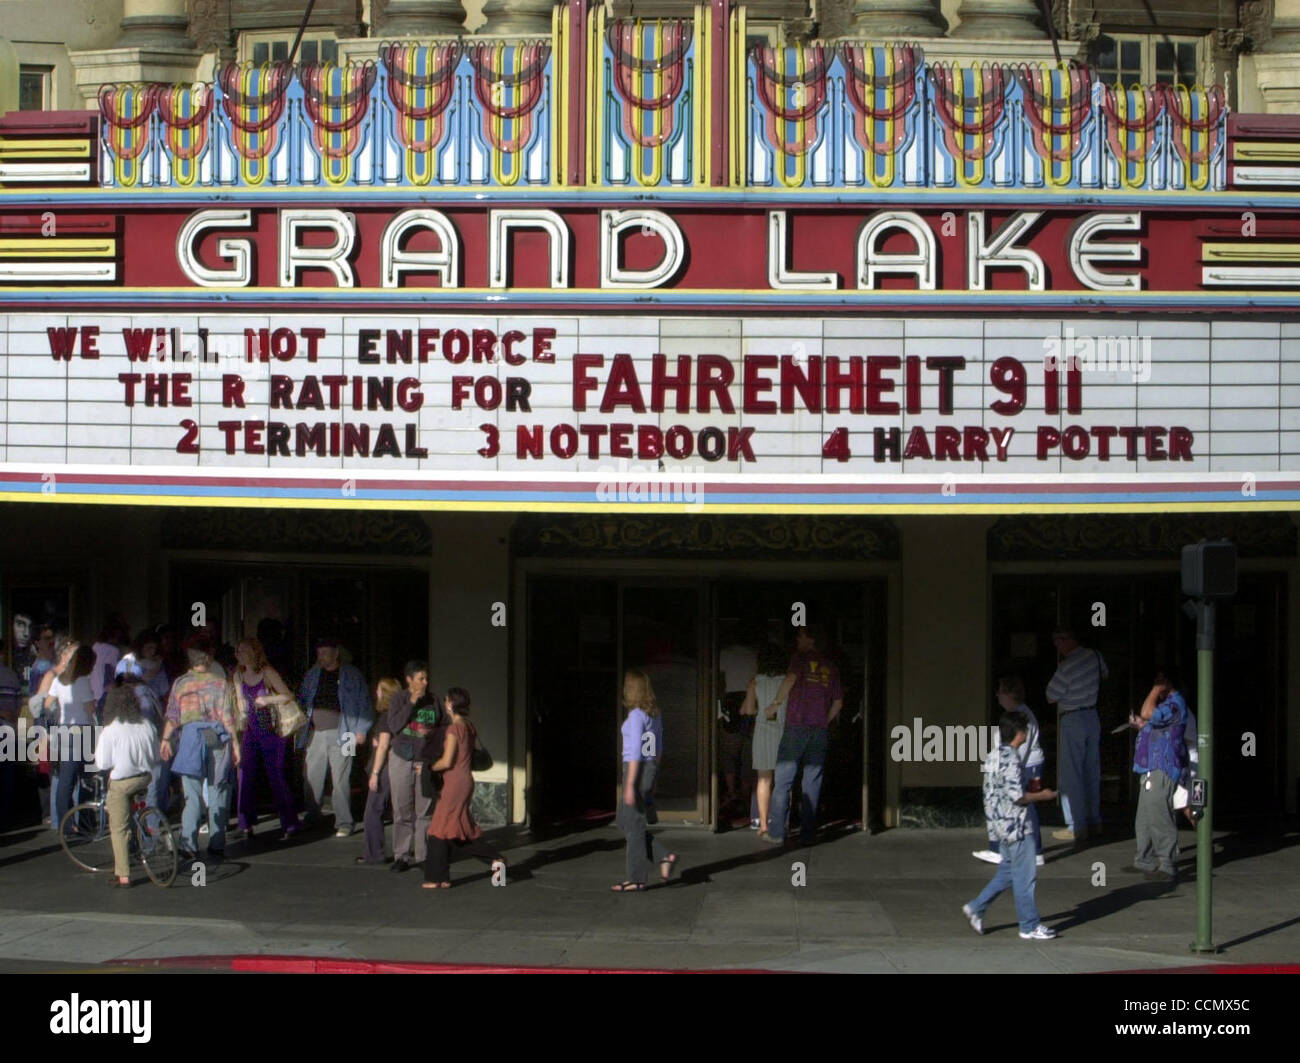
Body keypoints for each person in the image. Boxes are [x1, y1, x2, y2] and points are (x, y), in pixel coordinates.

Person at [962, 710, 1059, 940]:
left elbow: (992, 792)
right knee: (1025, 877)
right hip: (1017, 826)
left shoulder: (993, 755)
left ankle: (976, 907)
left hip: (999, 826)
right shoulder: (1012, 758)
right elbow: (1018, 797)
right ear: (1019, 733)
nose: (1027, 733)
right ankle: (1029, 925)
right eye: (1025, 729)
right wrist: (1043, 795)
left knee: (1007, 872)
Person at [161, 634, 241, 862]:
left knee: (193, 795)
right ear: (209, 658)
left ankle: (189, 844)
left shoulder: (181, 683)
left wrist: (165, 739)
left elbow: (173, 716)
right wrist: (235, 744)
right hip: (217, 735)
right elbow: (228, 716)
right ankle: (217, 843)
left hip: (191, 737)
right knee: (218, 790)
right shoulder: (220, 682)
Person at [761, 624, 842, 847]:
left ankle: (778, 833)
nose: (797, 639)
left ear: (810, 639)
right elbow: (838, 702)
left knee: (784, 781)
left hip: (796, 726)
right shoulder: (831, 666)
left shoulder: (800, 658)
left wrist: (775, 704)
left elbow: (789, 680)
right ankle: (808, 834)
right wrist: (824, 721)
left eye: (800, 635)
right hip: (819, 731)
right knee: (812, 782)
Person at [422, 688, 506, 889]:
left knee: (439, 828)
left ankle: (438, 878)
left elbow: (447, 761)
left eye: (446, 700)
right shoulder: (469, 726)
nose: (444, 703)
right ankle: (494, 860)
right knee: (456, 828)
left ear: (451, 704)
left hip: (454, 782)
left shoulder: (454, 729)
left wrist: (429, 767)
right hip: (465, 780)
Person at [370, 661, 443, 872]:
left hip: (423, 758)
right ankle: (402, 855)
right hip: (401, 757)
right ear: (409, 680)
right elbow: (394, 725)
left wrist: (432, 736)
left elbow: (442, 726)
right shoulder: (398, 699)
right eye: (421, 678)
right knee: (402, 809)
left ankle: (423, 855)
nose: (425, 682)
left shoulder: (433, 700)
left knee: (424, 809)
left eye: (426, 678)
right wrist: (411, 702)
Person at [300, 636, 371, 837]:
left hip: (345, 731)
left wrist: (362, 730)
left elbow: (364, 702)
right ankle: (313, 815)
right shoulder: (313, 674)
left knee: (341, 778)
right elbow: (303, 699)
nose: (321, 657)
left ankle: (344, 821)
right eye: (319, 653)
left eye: (324, 653)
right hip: (315, 732)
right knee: (312, 776)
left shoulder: (352, 674)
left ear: (336, 653)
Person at [1123, 669, 1190, 882]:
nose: (1156, 686)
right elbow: (1150, 721)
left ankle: (1167, 863)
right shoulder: (1165, 706)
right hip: (1150, 767)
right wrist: (1142, 725)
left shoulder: (1175, 704)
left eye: (1159, 682)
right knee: (1144, 817)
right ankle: (1145, 858)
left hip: (1163, 766)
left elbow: (1147, 712)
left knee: (1160, 815)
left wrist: (1155, 690)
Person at [611, 669, 675, 892]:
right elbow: (658, 747)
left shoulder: (637, 716)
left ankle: (636, 878)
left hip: (635, 770)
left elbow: (636, 751)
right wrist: (653, 774)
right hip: (648, 768)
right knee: (624, 821)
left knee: (633, 826)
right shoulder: (654, 715)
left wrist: (630, 784)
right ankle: (662, 856)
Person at [973, 676, 1045, 867]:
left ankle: (1022, 851)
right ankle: (1015, 850)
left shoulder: (1022, 718)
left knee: (1023, 807)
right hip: (1026, 766)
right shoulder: (1015, 715)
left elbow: (1019, 748)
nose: (997, 696)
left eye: (1001, 692)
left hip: (1027, 767)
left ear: (1011, 694)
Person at [91, 685, 159, 888]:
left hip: (122, 782)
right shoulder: (147, 725)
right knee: (131, 813)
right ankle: (139, 838)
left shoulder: (111, 730)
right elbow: (155, 755)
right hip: (144, 777)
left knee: (118, 828)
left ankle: (123, 875)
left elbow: (103, 763)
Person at [233, 637, 300, 842]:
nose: (239, 655)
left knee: (276, 774)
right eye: (238, 651)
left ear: (254, 652)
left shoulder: (267, 672)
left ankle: (290, 823)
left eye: (243, 651)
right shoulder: (238, 675)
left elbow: (288, 695)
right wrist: (240, 717)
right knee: (245, 773)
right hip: (251, 728)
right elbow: (241, 702)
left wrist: (267, 699)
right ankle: (245, 823)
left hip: (270, 728)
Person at [1045, 625, 1107, 843]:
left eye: (1058, 640)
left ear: (1067, 639)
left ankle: (1076, 825)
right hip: (1092, 716)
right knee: (1091, 771)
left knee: (1071, 774)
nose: (1056, 645)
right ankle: (1094, 821)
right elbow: (1105, 675)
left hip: (1072, 718)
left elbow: (1051, 695)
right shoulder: (1095, 657)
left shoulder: (1067, 666)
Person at [39, 639, 96, 830]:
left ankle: (65, 824)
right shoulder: (83, 682)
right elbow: (90, 709)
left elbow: (47, 704)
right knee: (85, 779)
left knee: (65, 780)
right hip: (83, 731)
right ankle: (85, 822)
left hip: (64, 730)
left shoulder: (59, 680)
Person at [740, 642, 788, 839]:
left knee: (764, 780)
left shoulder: (755, 681)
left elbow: (749, 710)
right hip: (783, 731)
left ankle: (764, 825)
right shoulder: (787, 681)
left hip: (762, 732)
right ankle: (783, 822)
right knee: (784, 782)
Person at [112, 656, 169, 815]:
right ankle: (152, 820)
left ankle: (148, 821)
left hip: (134, 745)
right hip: (151, 742)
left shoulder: (124, 696)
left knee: (139, 786)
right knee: (153, 784)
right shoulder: (147, 692)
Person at [357, 677, 400, 866]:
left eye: (379, 690)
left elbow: (383, 746)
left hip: (384, 769)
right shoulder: (398, 715)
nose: (377, 693)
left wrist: (375, 773)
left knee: (373, 811)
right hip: (394, 767)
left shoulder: (386, 717)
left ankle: (374, 854)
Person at [718, 631, 758, 823]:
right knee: (748, 753)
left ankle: (732, 792)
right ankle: (745, 795)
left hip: (731, 702)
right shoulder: (754, 654)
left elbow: (720, 680)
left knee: (729, 753)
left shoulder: (725, 653)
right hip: (752, 701)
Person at [0, 635, 22, 831]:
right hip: (9, 729)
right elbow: (18, 706)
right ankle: (5, 817)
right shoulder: (12, 676)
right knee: (7, 773)